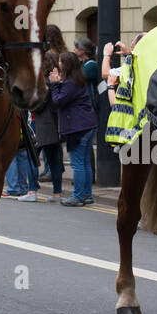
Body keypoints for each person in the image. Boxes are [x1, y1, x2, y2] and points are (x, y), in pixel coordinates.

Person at [50, 51, 97, 206]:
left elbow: (58, 102)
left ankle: (78, 196)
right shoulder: (78, 79)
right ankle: (86, 195)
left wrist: (54, 85)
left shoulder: (70, 83)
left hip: (77, 127)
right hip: (87, 124)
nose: (59, 64)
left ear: (66, 64)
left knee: (77, 163)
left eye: (61, 62)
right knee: (84, 162)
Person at [34, 50, 65, 201]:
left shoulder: (44, 81)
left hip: (42, 124)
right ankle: (57, 193)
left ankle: (31, 191)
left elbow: (38, 106)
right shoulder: (59, 79)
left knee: (32, 157)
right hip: (55, 123)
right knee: (54, 160)